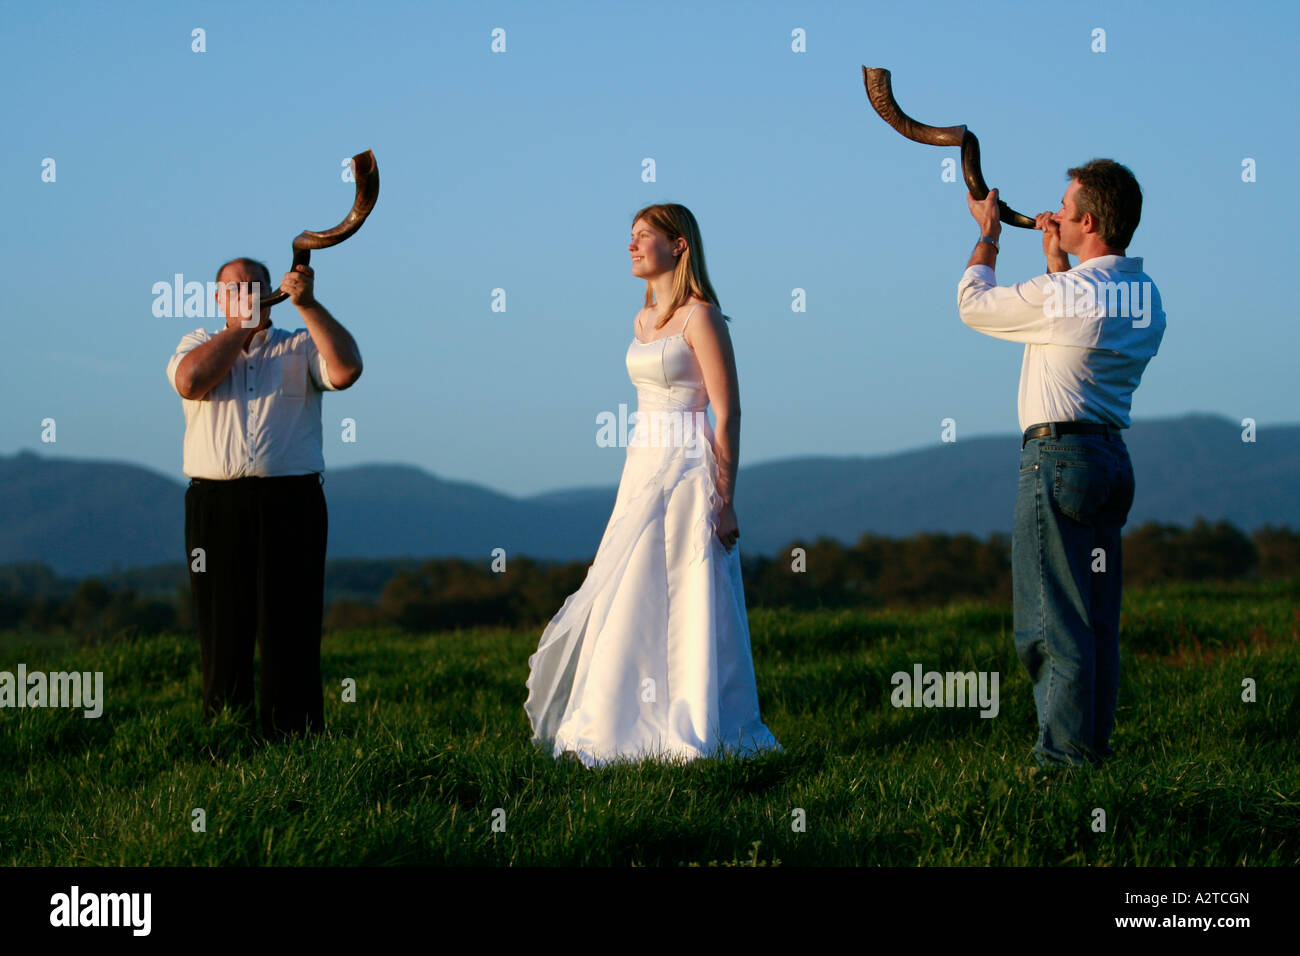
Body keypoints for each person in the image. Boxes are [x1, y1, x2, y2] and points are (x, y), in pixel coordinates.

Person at [524, 203, 780, 767]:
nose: (632, 246)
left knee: (688, 591)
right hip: (641, 465)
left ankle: (692, 726)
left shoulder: (701, 317)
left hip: (688, 472)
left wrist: (726, 497)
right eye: (631, 237)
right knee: (630, 587)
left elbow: (727, 410)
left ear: (679, 245)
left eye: (644, 237)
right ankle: (619, 726)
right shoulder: (643, 319)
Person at [957, 159, 1165, 768]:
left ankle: (1064, 768)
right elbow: (1071, 335)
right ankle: (1090, 755)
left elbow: (973, 304)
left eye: (1065, 209)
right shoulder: (1141, 294)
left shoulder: (1072, 295)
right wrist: (1056, 261)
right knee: (1096, 623)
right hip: (1107, 459)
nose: (1054, 213)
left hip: (1057, 461)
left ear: (1090, 220)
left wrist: (988, 232)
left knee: (1051, 626)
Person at [165, 258, 362, 738]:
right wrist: (241, 329)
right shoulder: (196, 343)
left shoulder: (298, 345)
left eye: (254, 287)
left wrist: (308, 305)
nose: (245, 295)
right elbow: (190, 382)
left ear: (270, 291)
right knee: (222, 626)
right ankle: (224, 736)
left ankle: (294, 739)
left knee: (291, 625)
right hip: (215, 505)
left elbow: (347, 369)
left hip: (291, 503)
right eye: (235, 290)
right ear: (218, 299)